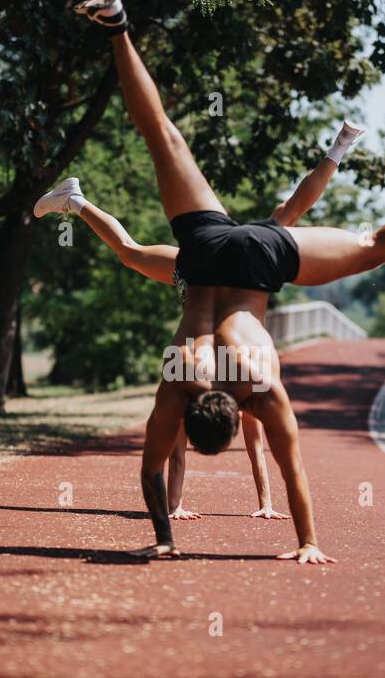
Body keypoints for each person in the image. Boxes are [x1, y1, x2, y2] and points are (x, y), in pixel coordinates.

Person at [70, 0, 385, 564]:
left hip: (256, 265)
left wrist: (307, 542)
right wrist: (166, 537)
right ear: (196, 415)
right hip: (206, 251)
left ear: (236, 420)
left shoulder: (258, 387)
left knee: (373, 249)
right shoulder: (180, 380)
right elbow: (151, 472)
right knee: (162, 134)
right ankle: (117, 25)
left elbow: (290, 470)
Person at [35, 120, 366, 523]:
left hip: (204, 279)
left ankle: (77, 201)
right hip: (213, 279)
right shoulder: (249, 285)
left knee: (131, 251)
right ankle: (75, 200)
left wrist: (264, 504)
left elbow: (243, 432)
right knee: (283, 215)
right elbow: (251, 433)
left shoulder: (230, 342)